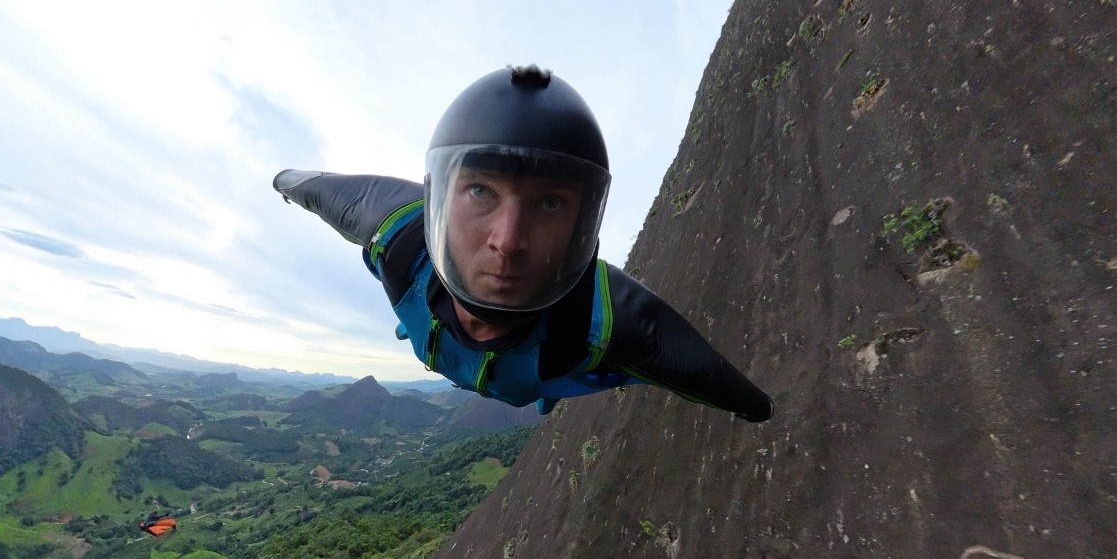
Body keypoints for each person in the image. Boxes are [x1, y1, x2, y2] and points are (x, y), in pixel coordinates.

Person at [274, 64, 774, 421]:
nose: (508, 241)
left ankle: (545, 391)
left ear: (584, 224)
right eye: (480, 190)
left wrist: (759, 408)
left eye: (551, 203)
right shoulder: (400, 241)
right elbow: (317, 189)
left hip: (552, 370)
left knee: (569, 375)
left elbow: (706, 375)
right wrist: (284, 182)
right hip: (517, 367)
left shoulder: (597, 322)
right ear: (438, 202)